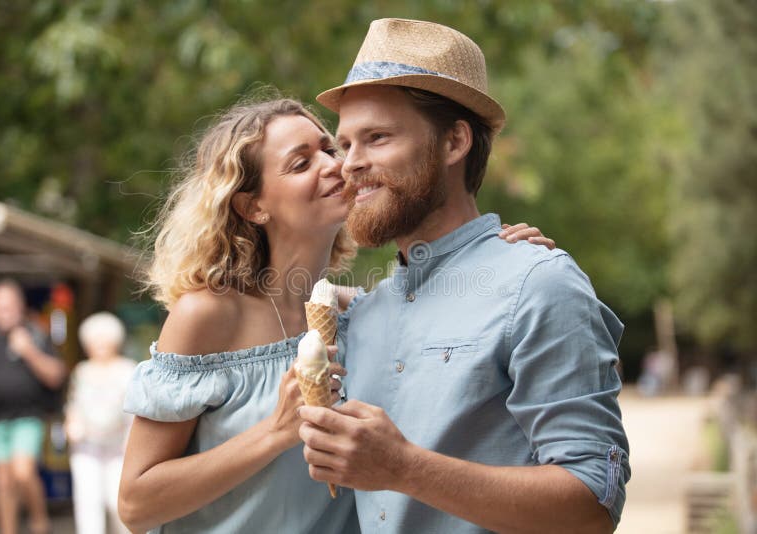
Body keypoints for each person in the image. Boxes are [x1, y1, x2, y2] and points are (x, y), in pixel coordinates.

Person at [118, 94, 550, 533]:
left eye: (328, 149)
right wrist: (275, 431)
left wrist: (499, 254)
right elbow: (135, 504)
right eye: (300, 163)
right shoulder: (207, 316)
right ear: (253, 206)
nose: (335, 165)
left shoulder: (363, 314)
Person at [297, 18, 631, 533]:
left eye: (377, 138)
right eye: (345, 144)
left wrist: (405, 468)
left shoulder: (539, 284)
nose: (349, 164)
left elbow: (593, 503)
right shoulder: (362, 314)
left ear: (455, 142)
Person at [0, 279, 66, 534]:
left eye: (7, 307)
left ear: (19, 307)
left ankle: (40, 520)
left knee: (23, 471)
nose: (2, 312)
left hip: (28, 416)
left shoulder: (37, 334)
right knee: (2, 481)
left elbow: (57, 375)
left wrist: (28, 351)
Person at [65, 312, 136, 534]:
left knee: (119, 505)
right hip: (86, 448)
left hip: (119, 450)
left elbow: (135, 411)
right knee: (87, 505)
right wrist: (71, 425)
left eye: (105, 339)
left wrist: (132, 442)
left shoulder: (128, 369)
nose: (100, 345)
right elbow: (73, 405)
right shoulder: (81, 371)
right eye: (95, 340)